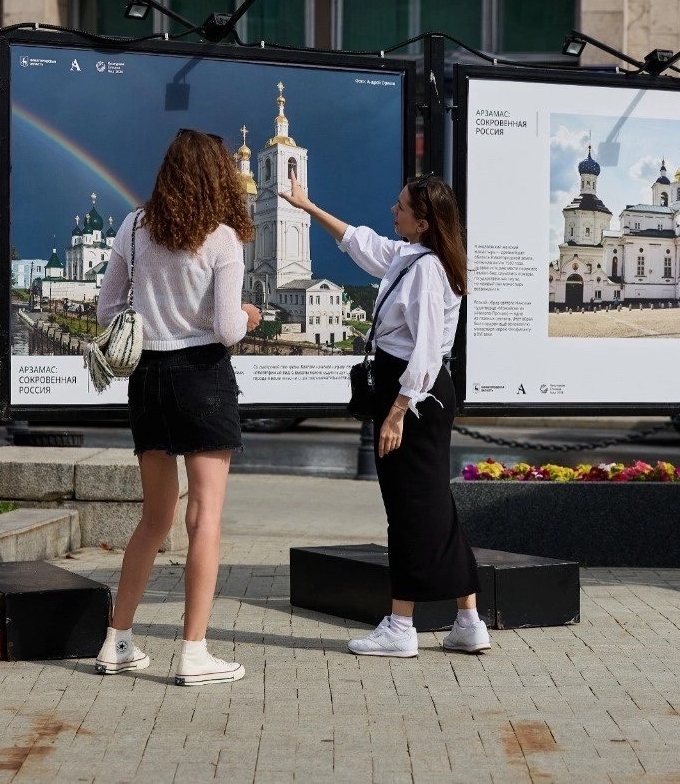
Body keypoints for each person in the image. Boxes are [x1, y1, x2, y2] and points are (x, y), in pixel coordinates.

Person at [280, 172, 490, 657]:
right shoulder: (410, 256)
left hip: (413, 398)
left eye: (400, 207)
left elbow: (426, 353)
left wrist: (397, 412)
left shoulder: (424, 271)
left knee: (409, 512)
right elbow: (361, 242)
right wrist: (308, 206)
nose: (391, 211)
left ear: (423, 220)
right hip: (418, 397)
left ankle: (400, 627)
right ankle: (469, 620)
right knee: (435, 507)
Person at [94, 128, 262, 685]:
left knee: (154, 517)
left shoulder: (134, 226)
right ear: (218, 176)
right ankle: (194, 652)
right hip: (203, 377)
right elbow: (225, 329)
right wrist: (250, 316)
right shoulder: (222, 238)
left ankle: (116, 641)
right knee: (204, 517)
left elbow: (106, 310)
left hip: (146, 377)